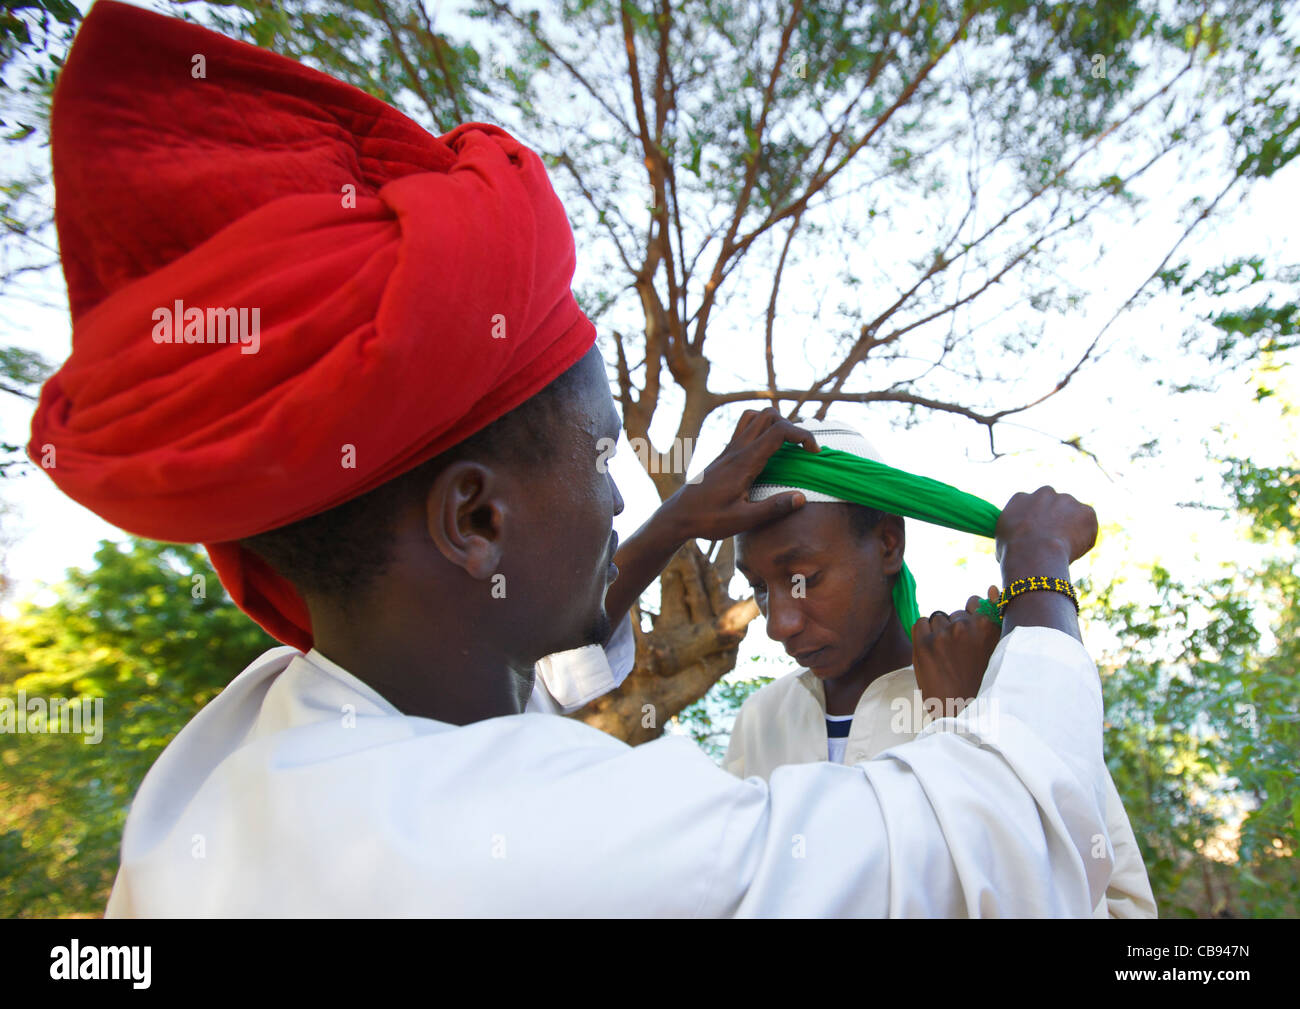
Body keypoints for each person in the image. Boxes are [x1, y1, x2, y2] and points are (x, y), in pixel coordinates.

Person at [34, 1, 1112, 917]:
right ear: (476, 520)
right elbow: (1012, 833)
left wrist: (678, 518)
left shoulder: (254, 753)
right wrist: (1036, 574)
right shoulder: (554, 843)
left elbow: (530, 702)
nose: (612, 495)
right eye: (597, 460)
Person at [725, 422, 1158, 918]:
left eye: (803, 579)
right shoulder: (762, 719)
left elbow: (1117, 906)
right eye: (759, 586)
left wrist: (963, 719)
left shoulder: (1002, 699)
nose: (778, 623)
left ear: (889, 544)